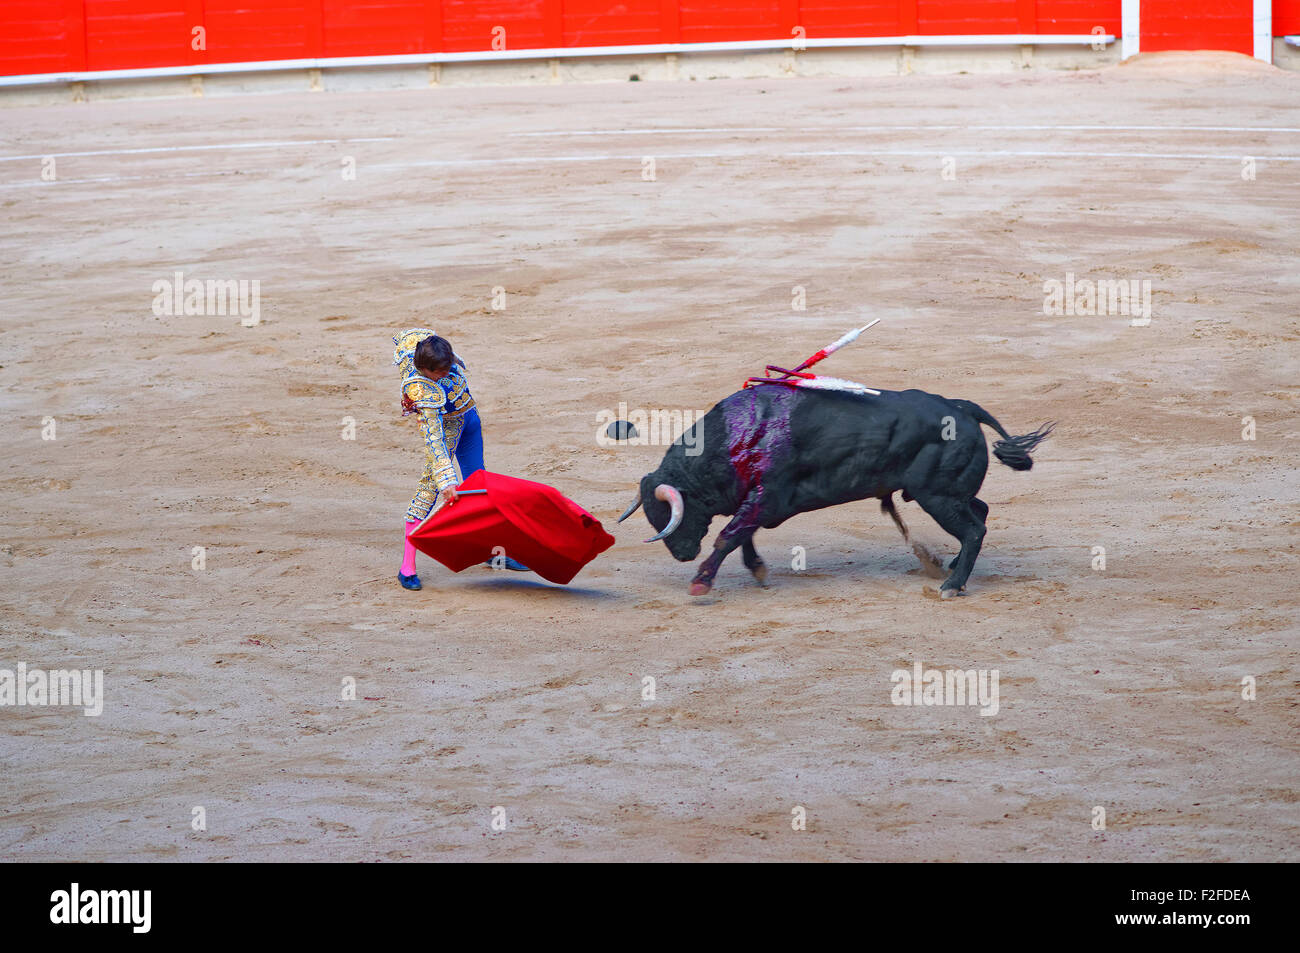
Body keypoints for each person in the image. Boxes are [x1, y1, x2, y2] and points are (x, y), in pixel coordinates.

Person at [393, 328, 527, 589]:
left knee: (481, 485)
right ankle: (407, 567)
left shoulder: (426, 348)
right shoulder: (422, 392)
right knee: (427, 492)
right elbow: (434, 441)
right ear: (426, 370)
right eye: (440, 371)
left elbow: (408, 334)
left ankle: (493, 552)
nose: (447, 372)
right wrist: (446, 481)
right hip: (448, 430)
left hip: (470, 420)